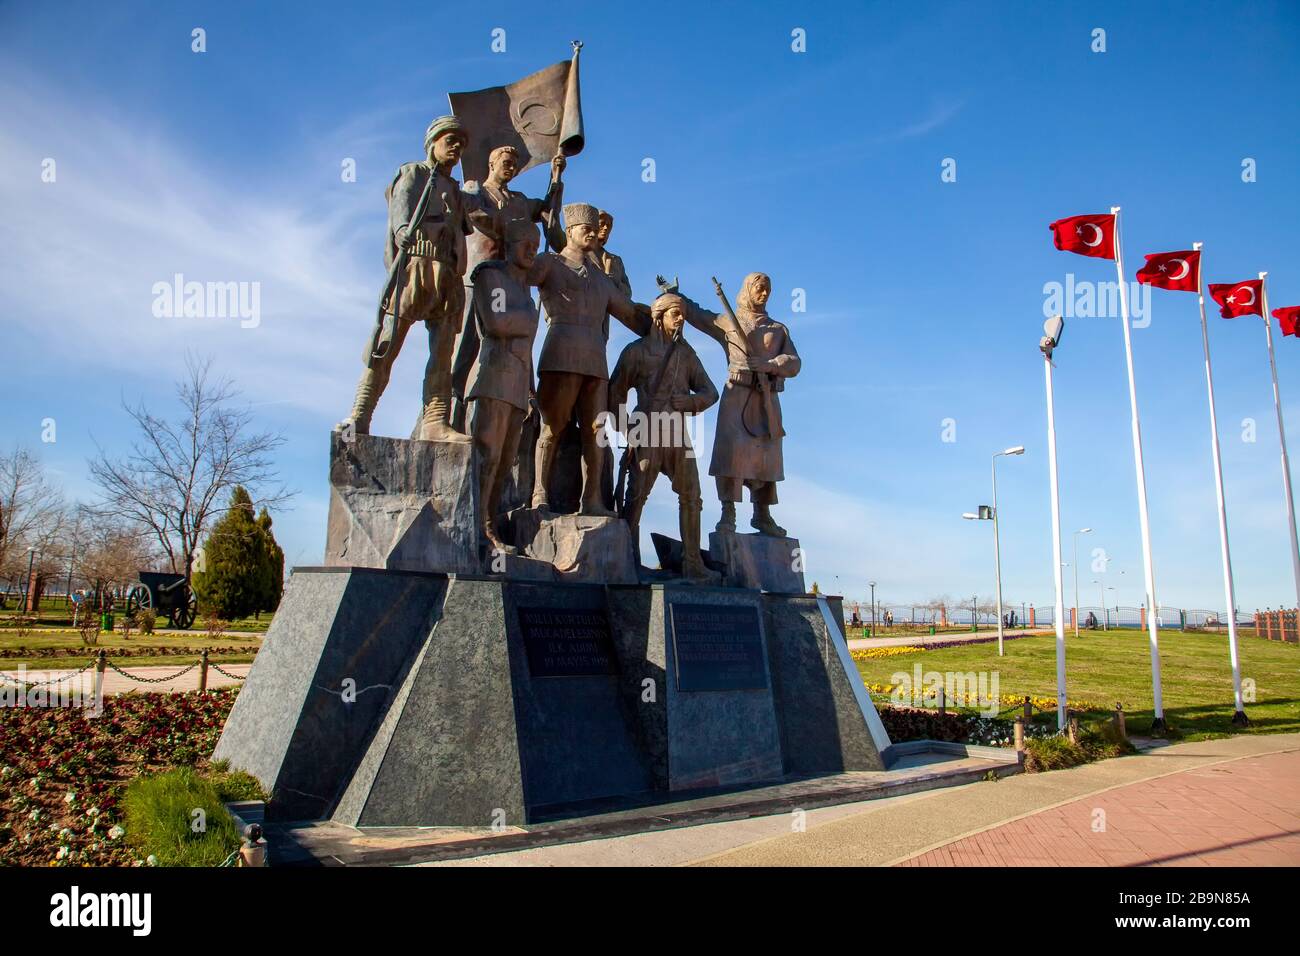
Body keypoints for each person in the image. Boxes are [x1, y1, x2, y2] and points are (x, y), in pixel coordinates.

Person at [340, 115, 474, 442]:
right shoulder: (414, 173)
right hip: (415, 267)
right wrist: (403, 232)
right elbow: (401, 214)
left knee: (443, 353)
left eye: (461, 144)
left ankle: (435, 421)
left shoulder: (455, 190)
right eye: (450, 140)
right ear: (433, 142)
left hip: (446, 274)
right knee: (386, 345)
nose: (456, 148)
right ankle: (360, 416)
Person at [528, 202, 651, 514]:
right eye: (587, 229)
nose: (594, 234)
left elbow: (631, 315)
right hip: (561, 355)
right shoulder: (550, 263)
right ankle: (539, 493)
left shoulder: (601, 279)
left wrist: (663, 316)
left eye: (595, 229)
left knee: (595, 432)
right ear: (569, 231)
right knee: (552, 427)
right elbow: (518, 276)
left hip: (595, 363)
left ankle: (592, 499)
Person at [449, 145, 566, 430]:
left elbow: (546, 211)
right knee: (466, 345)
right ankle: (451, 404)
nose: (511, 167)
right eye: (506, 161)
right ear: (491, 163)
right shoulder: (476, 191)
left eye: (514, 163)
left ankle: (522, 398)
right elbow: (478, 216)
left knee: (513, 339)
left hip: (511, 280)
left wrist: (556, 178)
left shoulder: (520, 200)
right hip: (477, 276)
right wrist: (515, 229)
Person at [677, 272, 801, 535]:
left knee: (766, 456)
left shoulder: (778, 329)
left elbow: (794, 362)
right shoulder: (729, 322)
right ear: (747, 289)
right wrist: (676, 295)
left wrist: (770, 364)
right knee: (730, 454)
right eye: (759, 287)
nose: (764, 292)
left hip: (765, 397)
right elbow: (698, 315)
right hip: (736, 394)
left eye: (768, 288)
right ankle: (728, 513)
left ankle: (762, 514)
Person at [608, 291, 718, 580]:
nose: (681, 319)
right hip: (648, 431)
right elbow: (615, 391)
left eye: (683, 314)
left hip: (679, 435)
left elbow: (711, 392)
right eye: (676, 313)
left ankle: (692, 562)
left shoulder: (686, 354)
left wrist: (691, 403)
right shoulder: (637, 351)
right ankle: (628, 559)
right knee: (637, 496)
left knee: (692, 496)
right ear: (659, 316)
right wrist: (626, 428)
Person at [464, 219, 544, 555]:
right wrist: (527, 319)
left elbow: (525, 343)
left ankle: (490, 525)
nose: (531, 251)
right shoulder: (490, 275)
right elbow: (496, 322)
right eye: (525, 242)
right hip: (494, 378)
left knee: (506, 460)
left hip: (517, 385)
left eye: (536, 246)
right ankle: (477, 528)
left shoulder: (525, 288)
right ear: (509, 243)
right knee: (488, 455)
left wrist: (530, 384)